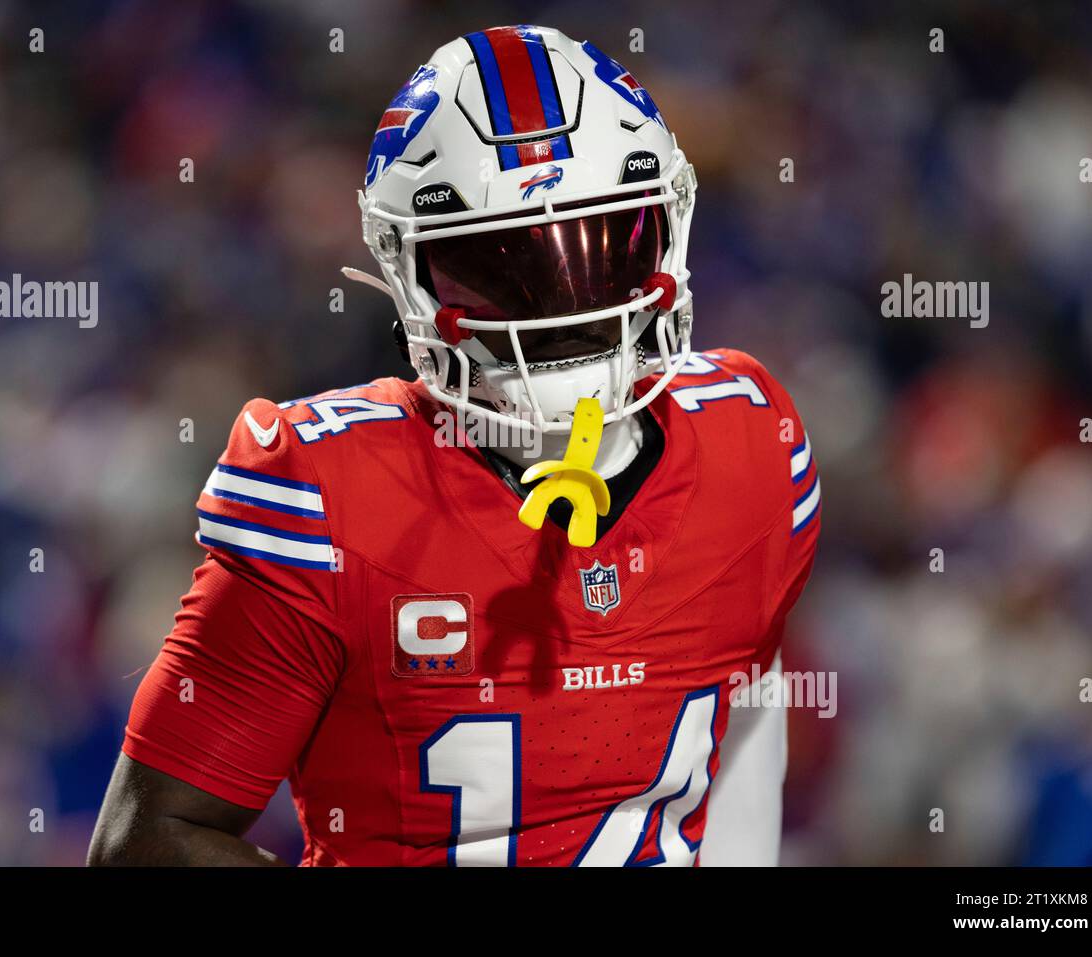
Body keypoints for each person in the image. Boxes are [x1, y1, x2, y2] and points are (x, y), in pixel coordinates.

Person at [89, 24, 820, 867]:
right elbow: (144, 842)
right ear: (406, 273)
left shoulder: (751, 441)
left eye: (600, 245)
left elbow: (745, 700)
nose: (564, 311)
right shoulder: (324, 493)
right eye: (500, 267)